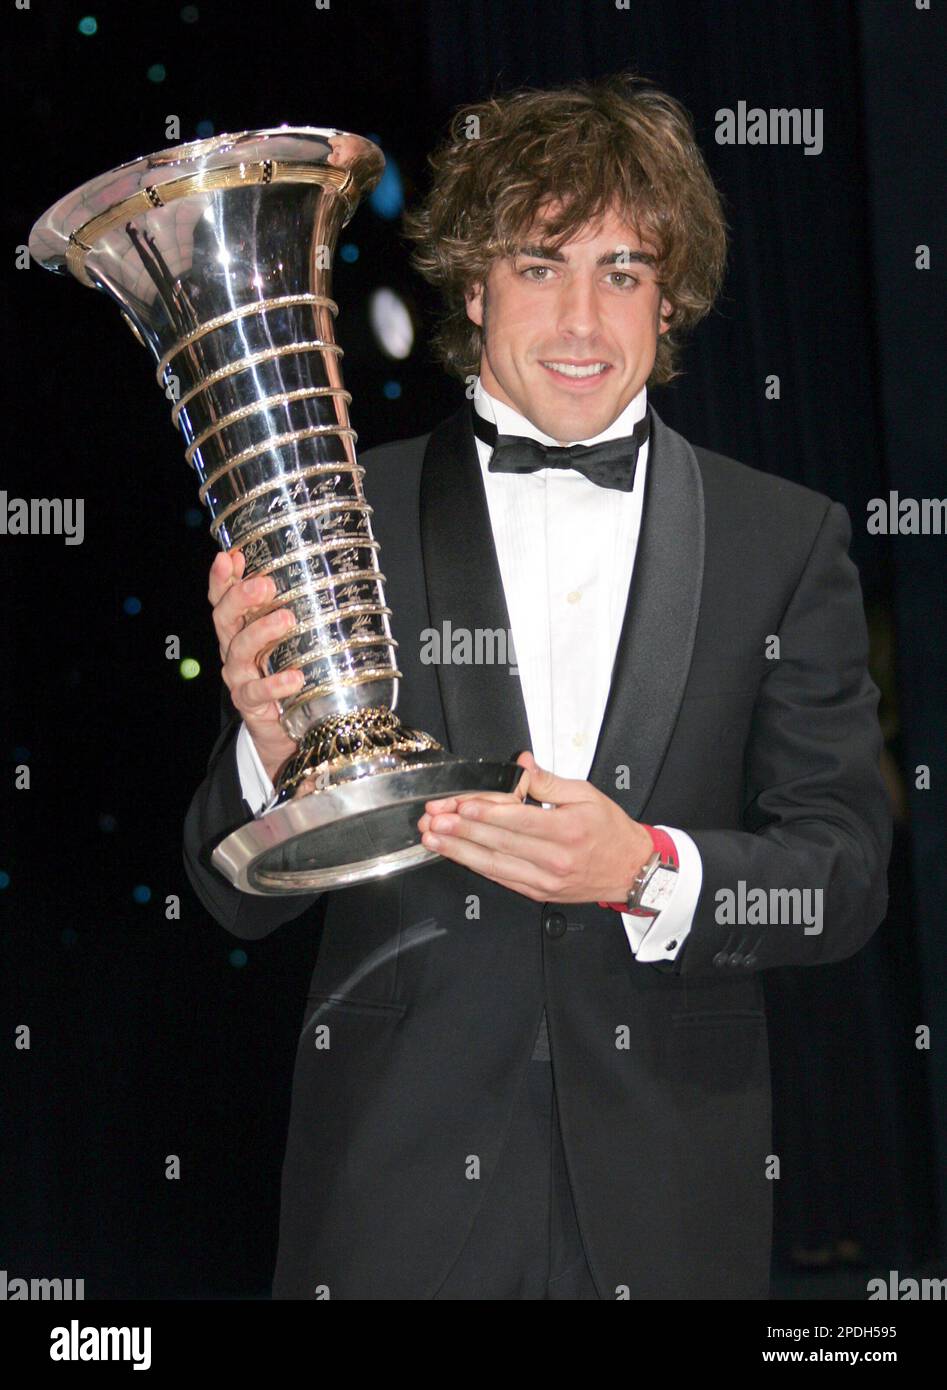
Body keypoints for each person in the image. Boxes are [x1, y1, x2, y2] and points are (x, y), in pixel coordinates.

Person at [183, 72, 892, 1300]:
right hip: (390, 1207)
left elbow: (839, 877)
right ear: (472, 285)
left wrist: (645, 870)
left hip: (674, 1208)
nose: (581, 319)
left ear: (668, 300)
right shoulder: (342, 511)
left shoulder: (783, 537)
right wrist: (264, 746)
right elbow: (229, 896)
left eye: (621, 271)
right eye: (537, 265)